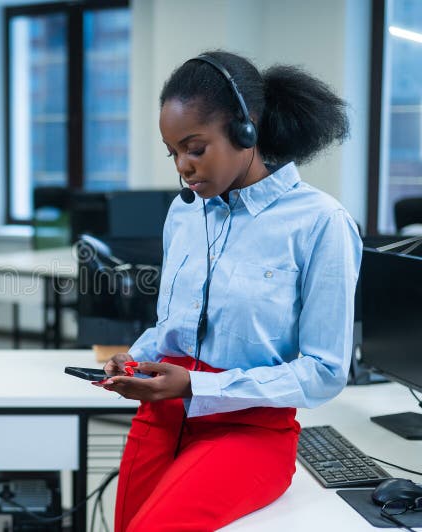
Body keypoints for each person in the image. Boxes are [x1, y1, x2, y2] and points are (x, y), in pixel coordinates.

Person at [99, 51, 360, 531]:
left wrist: (198, 386)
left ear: (246, 129)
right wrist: (134, 357)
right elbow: (171, 325)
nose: (183, 167)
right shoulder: (184, 212)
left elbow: (325, 371)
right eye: (173, 152)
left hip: (250, 428)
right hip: (164, 415)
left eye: (195, 148)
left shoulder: (321, 222)